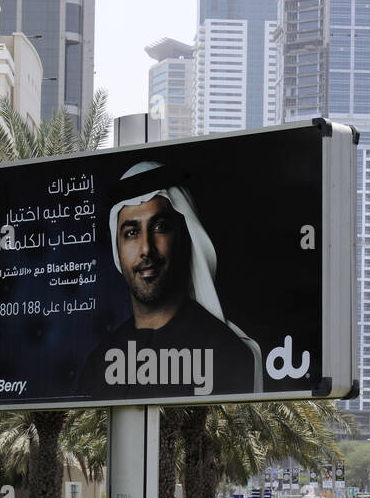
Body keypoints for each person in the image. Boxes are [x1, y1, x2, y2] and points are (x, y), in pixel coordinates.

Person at [77, 161, 261, 398]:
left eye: (160, 227)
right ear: (117, 250)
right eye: (131, 233)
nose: (146, 248)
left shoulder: (225, 352)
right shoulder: (99, 364)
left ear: (184, 237)